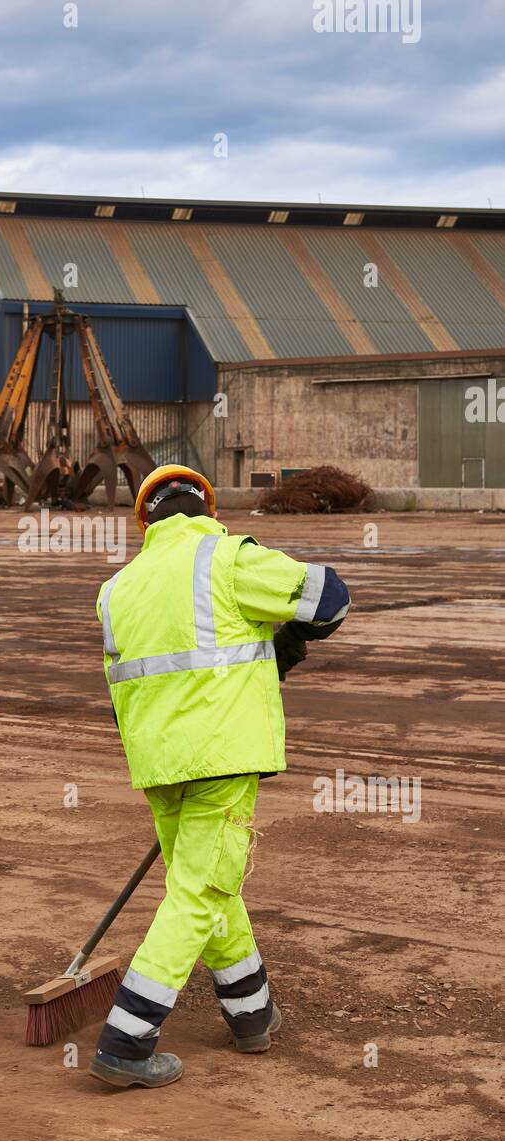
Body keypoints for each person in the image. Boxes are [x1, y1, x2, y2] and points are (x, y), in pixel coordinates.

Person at [88, 464, 351, 1089]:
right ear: (207, 507)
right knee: (200, 892)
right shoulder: (229, 559)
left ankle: (250, 1012)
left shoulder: (116, 590)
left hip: (157, 765)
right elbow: (331, 596)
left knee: (207, 884)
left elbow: (123, 686)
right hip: (223, 756)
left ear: (144, 521)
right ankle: (127, 1040)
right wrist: (288, 640)